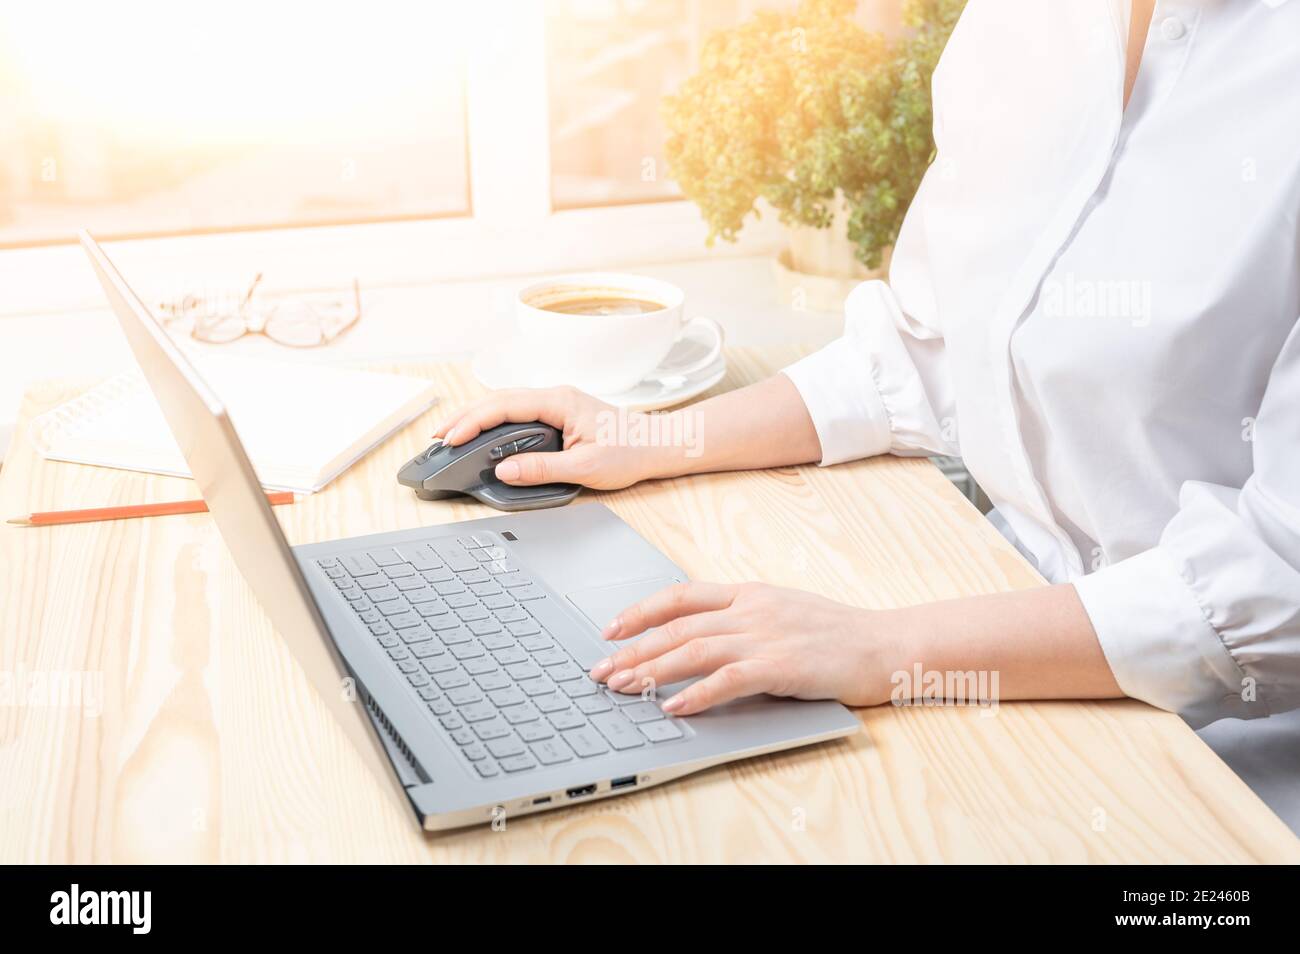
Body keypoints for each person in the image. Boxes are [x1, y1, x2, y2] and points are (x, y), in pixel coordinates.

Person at [436, 0, 1300, 829]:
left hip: (1231, 759)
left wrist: (884, 650)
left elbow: (1272, 587)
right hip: (995, 636)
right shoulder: (1024, 22)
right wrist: (653, 436)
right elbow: (926, 348)